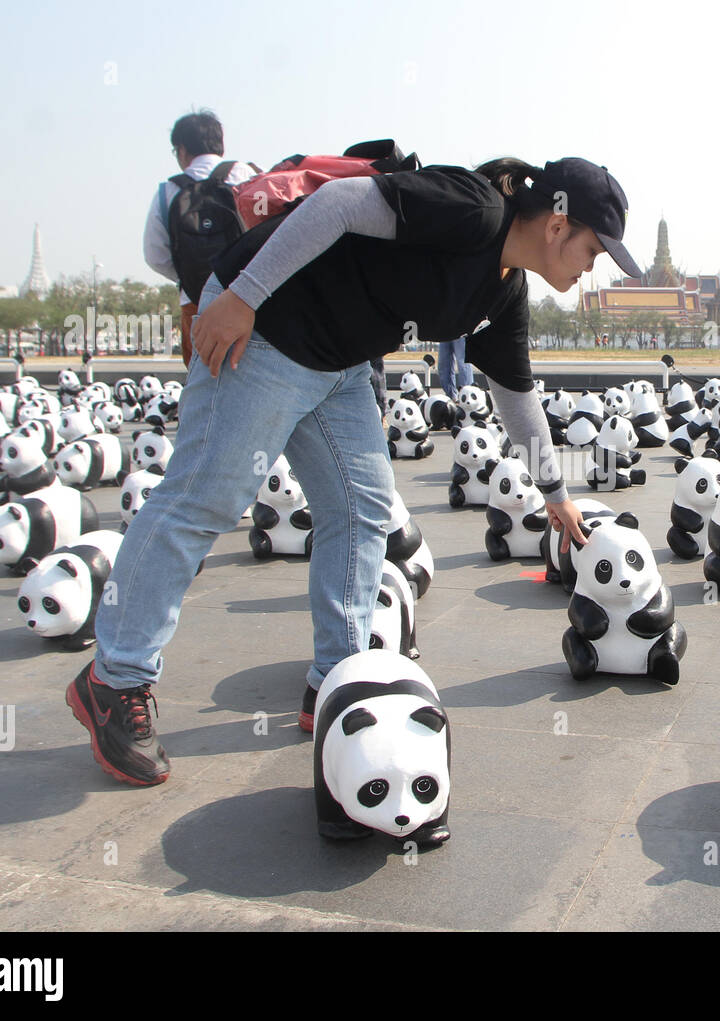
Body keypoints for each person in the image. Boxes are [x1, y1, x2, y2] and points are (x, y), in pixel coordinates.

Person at [66, 156, 639, 786]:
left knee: (363, 507)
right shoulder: (470, 208)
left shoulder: (503, 291)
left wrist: (555, 493)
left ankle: (336, 678)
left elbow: (516, 394)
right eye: (593, 249)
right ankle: (115, 679)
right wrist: (241, 297)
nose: (593, 266)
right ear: (558, 225)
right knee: (206, 496)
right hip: (265, 328)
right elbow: (338, 205)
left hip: (337, 362)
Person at [142, 110, 259, 366]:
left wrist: (191, 277)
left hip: (196, 305)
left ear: (181, 149)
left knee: (203, 384)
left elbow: (155, 256)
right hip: (250, 301)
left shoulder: (168, 191)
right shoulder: (250, 177)